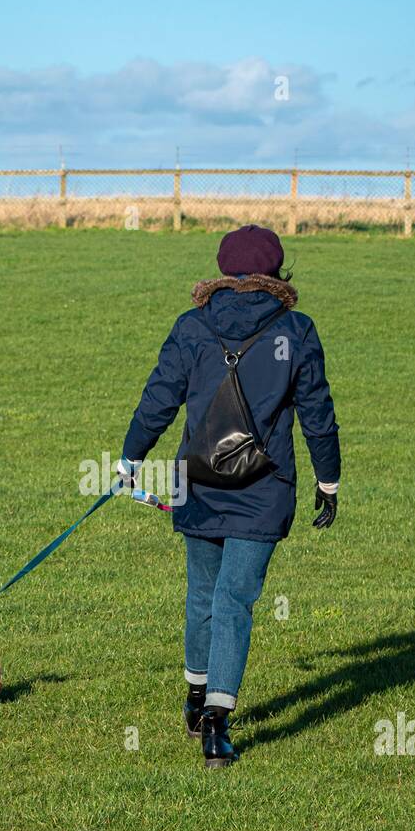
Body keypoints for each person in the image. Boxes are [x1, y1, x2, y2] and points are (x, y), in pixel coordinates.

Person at [117, 224, 341, 768]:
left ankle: (197, 700)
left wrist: (129, 459)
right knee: (233, 599)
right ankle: (217, 722)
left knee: (202, 593)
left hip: (196, 481)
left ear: (223, 273)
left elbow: (159, 397)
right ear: (276, 273)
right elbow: (317, 413)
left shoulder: (192, 326)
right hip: (265, 487)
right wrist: (328, 480)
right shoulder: (297, 330)